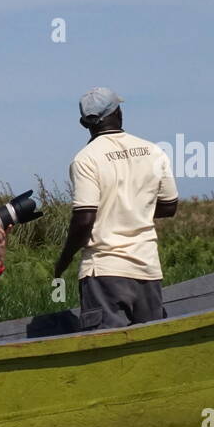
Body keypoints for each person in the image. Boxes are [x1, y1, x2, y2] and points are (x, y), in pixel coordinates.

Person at [53, 87, 180, 329]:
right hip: (147, 269)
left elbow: (84, 219)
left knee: (106, 352)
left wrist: (64, 260)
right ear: (118, 112)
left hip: (104, 271)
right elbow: (169, 206)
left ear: (84, 123)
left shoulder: (86, 159)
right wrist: (134, 209)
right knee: (150, 349)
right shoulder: (154, 151)